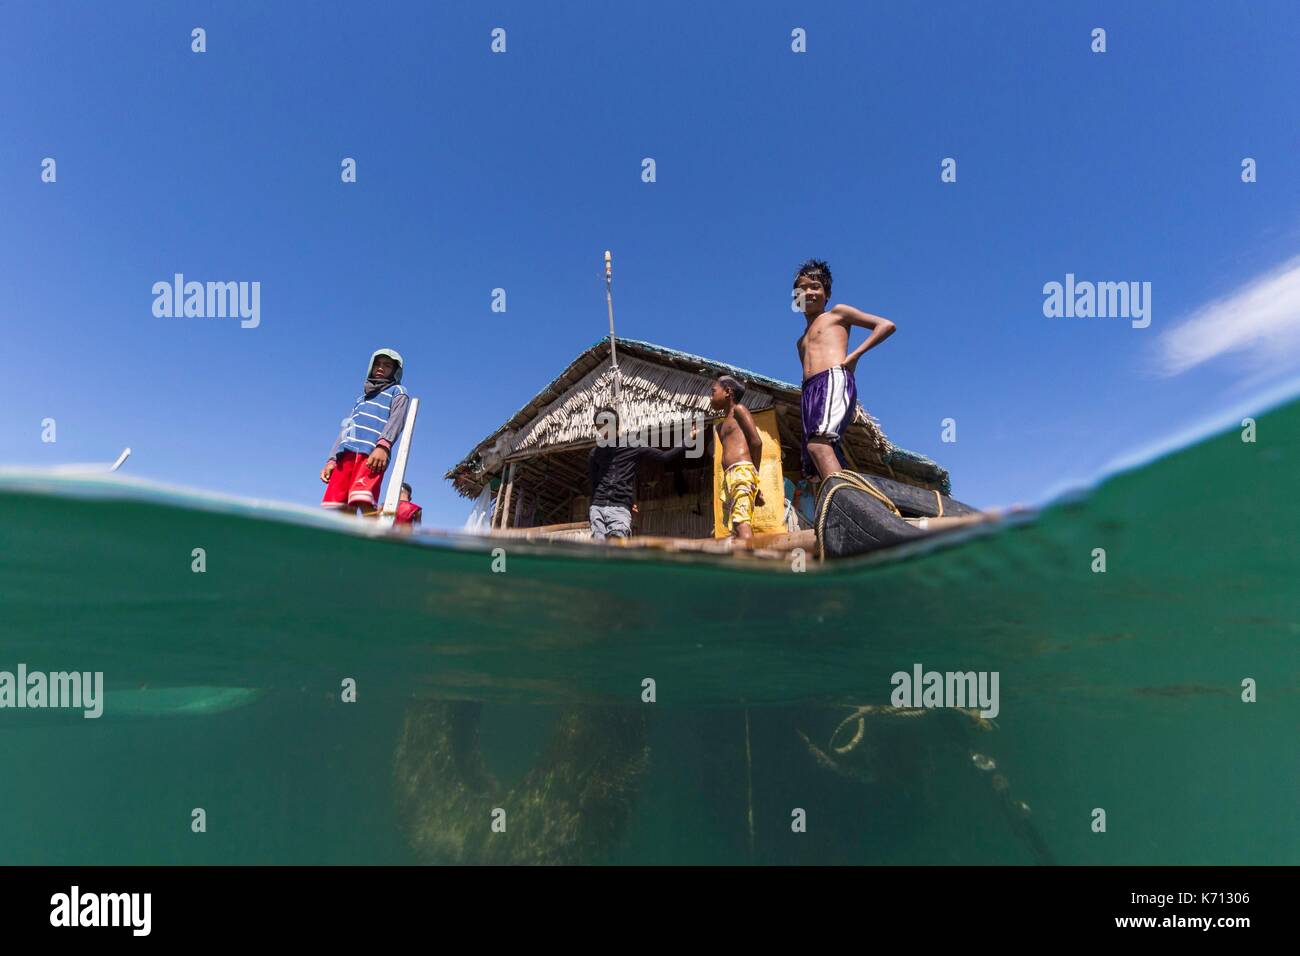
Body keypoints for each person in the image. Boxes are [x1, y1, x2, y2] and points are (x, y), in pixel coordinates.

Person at [793, 259, 896, 481]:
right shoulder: (800, 342)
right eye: (802, 289)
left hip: (831, 379)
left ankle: (844, 501)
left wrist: (855, 355)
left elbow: (886, 325)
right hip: (809, 392)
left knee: (819, 444)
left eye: (815, 287)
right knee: (813, 462)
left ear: (827, 294)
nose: (809, 292)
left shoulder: (837, 314)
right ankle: (841, 499)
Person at [587, 406, 696, 542]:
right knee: (598, 554)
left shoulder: (633, 445)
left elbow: (664, 457)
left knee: (616, 551)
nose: (603, 431)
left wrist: (688, 440)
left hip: (619, 509)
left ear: (615, 425)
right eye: (599, 427)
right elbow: (594, 484)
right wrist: (592, 510)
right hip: (598, 508)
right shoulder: (595, 453)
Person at [320, 348, 409, 514]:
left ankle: (373, 536)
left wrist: (383, 447)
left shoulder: (398, 392)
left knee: (363, 499)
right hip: (346, 455)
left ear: (395, 371)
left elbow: (396, 420)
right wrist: (332, 459)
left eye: (387, 365)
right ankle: (347, 539)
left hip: (371, 455)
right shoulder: (361, 399)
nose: (381, 368)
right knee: (342, 506)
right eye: (377, 364)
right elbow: (347, 430)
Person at [708, 375, 765, 541]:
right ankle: (743, 560)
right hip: (729, 478)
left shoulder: (739, 410)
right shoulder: (720, 426)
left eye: (713, 392)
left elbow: (756, 442)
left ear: (727, 392)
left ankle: (751, 560)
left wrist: (754, 475)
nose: (710, 397)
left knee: (741, 523)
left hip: (742, 471)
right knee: (735, 526)